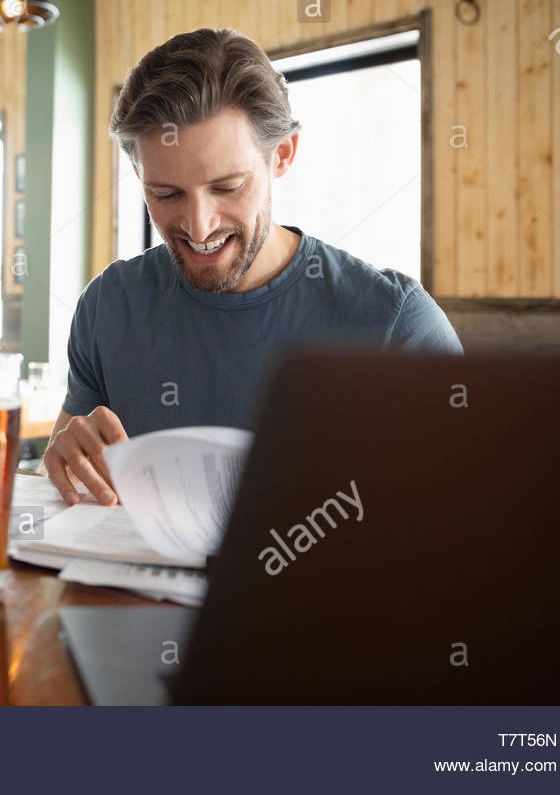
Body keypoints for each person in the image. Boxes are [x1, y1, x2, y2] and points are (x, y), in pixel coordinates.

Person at [44, 28, 462, 507]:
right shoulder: (109, 306)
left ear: (281, 155)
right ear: (140, 175)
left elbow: (469, 521)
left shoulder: (396, 325)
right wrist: (64, 464)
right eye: (166, 194)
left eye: (227, 187)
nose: (199, 227)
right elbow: (67, 498)